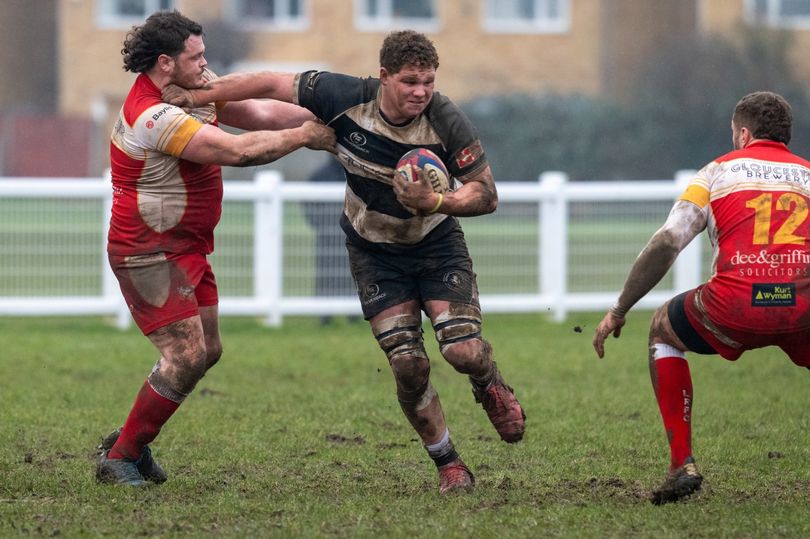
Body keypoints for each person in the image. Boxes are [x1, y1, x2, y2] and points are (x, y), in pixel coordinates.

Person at [163, 30, 526, 494]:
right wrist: (194, 94)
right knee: (408, 367)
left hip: (436, 247)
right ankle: (449, 464)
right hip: (374, 252)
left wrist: (436, 201)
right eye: (410, 81)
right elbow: (271, 83)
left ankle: (488, 381)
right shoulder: (342, 96)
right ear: (384, 78)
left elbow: (486, 194)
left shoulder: (446, 119)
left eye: (429, 82)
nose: (420, 92)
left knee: (462, 351)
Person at [96, 10, 335, 487]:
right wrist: (307, 138)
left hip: (184, 247)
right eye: (196, 56)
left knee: (207, 351)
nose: (206, 64)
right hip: (148, 250)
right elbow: (237, 151)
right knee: (185, 354)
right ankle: (121, 456)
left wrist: (330, 118)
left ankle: (129, 441)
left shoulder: (194, 88)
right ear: (166, 63)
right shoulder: (153, 115)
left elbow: (261, 113)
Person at [592, 91, 810, 505]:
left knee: (663, 330)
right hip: (799, 305)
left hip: (735, 306)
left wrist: (619, 309)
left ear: (743, 133)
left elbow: (667, 244)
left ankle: (681, 464)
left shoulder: (715, 173)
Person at [301, 158, 359, 325]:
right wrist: (322, 226)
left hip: (353, 236)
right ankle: (325, 316)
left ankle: (353, 315)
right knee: (326, 275)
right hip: (327, 239)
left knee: (353, 272)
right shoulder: (320, 175)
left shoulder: (353, 172)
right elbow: (308, 204)